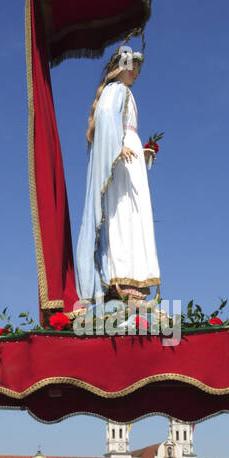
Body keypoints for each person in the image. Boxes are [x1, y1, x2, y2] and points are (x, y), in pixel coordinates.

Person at [75, 44, 160, 305]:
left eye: (138, 67)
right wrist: (117, 146)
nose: (136, 72)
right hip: (119, 163)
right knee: (120, 214)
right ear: (119, 68)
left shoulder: (127, 93)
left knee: (134, 215)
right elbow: (105, 118)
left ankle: (132, 277)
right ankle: (119, 278)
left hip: (130, 162)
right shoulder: (115, 90)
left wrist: (140, 150)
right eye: (131, 66)